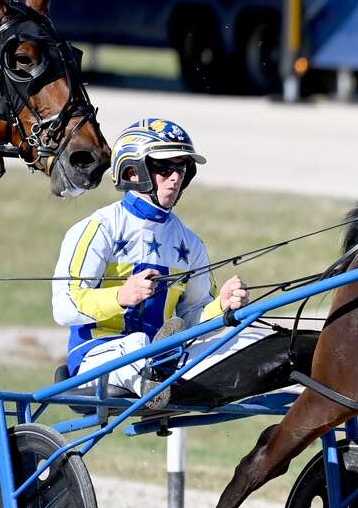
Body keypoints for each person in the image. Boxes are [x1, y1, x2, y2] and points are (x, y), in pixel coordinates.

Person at [52, 118, 258, 402]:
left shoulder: (190, 243)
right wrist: (121, 296)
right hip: (97, 358)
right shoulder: (99, 228)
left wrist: (220, 307)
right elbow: (63, 307)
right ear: (133, 171)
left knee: (242, 339)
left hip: (165, 354)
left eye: (181, 168)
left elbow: (190, 318)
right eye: (164, 168)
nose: (175, 177)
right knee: (139, 344)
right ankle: (157, 379)